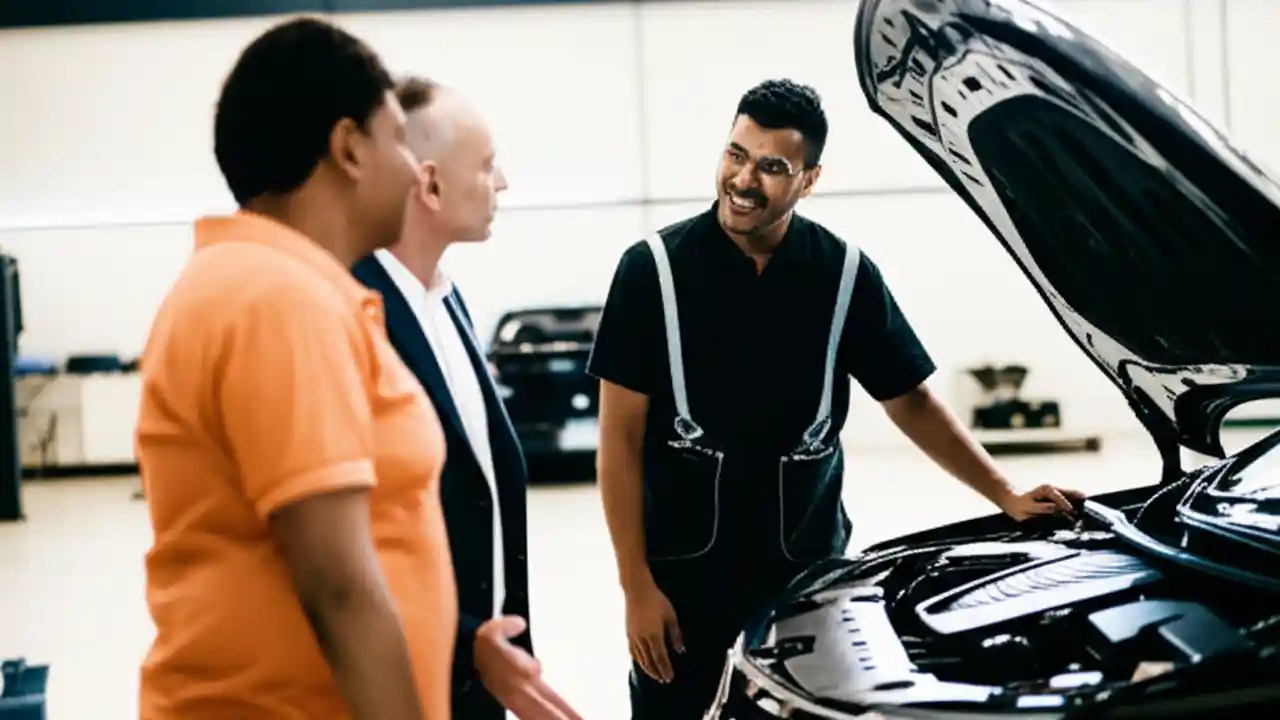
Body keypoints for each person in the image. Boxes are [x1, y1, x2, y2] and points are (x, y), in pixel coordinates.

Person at [588, 78, 1086, 718]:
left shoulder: (844, 275)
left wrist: (1005, 495)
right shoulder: (649, 272)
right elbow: (619, 442)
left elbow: (910, 400)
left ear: (810, 178)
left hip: (806, 574)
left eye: (773, 166)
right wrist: (636, 587)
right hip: (683, 585)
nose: (744, 179)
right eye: (736, 154)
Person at [134, 17, 456, 720]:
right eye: (399, 138)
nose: (414, 169)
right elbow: (336, 585)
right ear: (348, 147)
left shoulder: (276, 285)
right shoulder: (278, 300)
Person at [351, 77, 581, 720]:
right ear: (428, 184)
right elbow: (358, 532)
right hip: (409, 675)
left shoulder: (446, 300)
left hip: (477, 675)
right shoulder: (357, 314)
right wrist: (463, 643)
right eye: (485, 165)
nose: (501, 181)